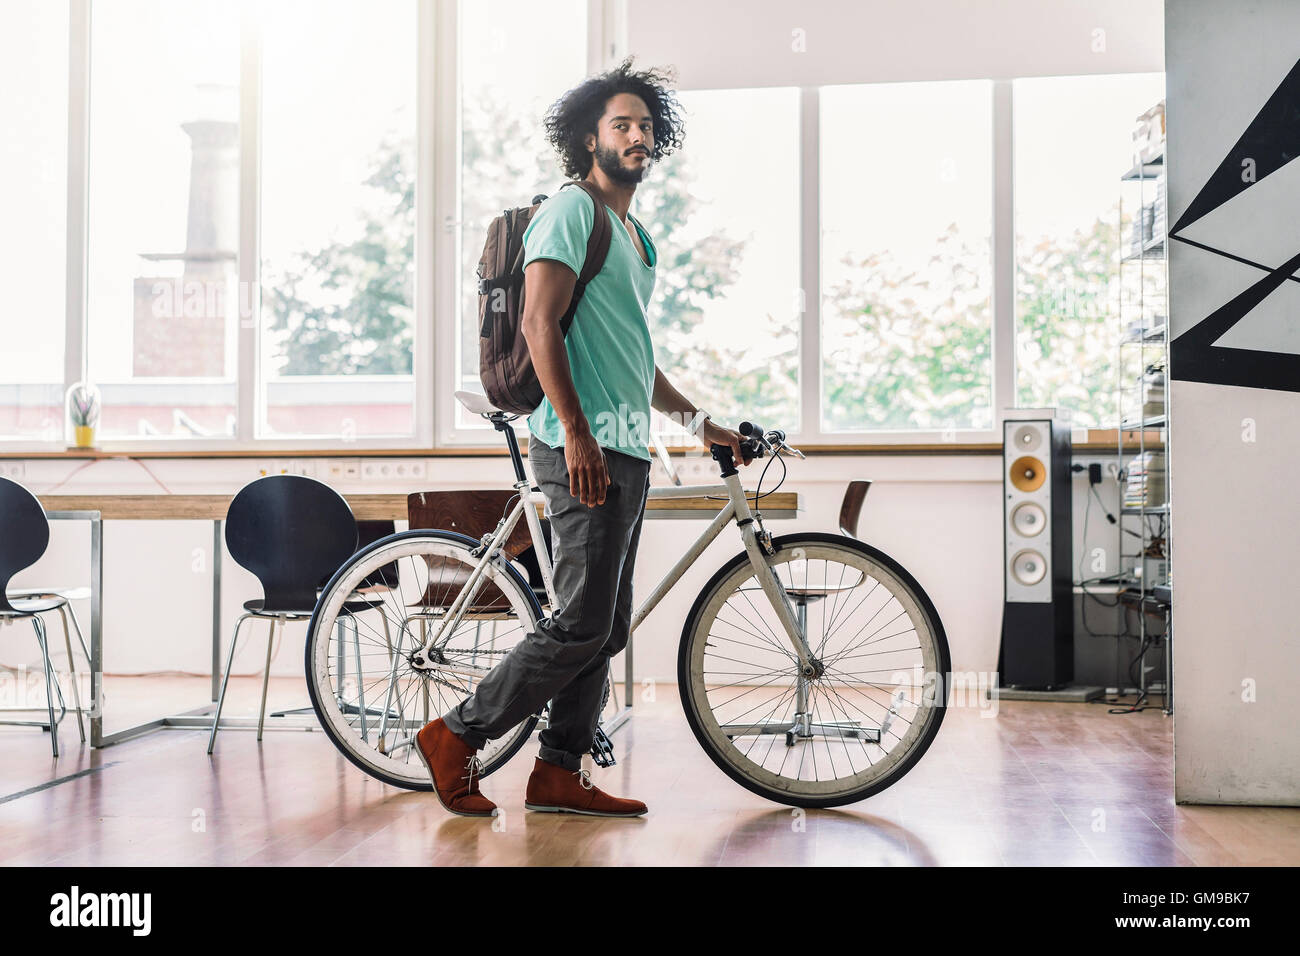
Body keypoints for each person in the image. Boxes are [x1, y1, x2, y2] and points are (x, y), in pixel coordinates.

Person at [416, 57, 753, 818]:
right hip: (582, 446)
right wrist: (575, 433)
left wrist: (703, 426)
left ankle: (558, 772)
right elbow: (539, 323)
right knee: (579, 621)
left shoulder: (638, 237)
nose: (636, 136)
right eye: (620, 125)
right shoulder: (574, 211)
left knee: (603, 628)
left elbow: (637, 356)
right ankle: (453, 735)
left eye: (644, 127)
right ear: (589, 140)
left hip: (625, 445)